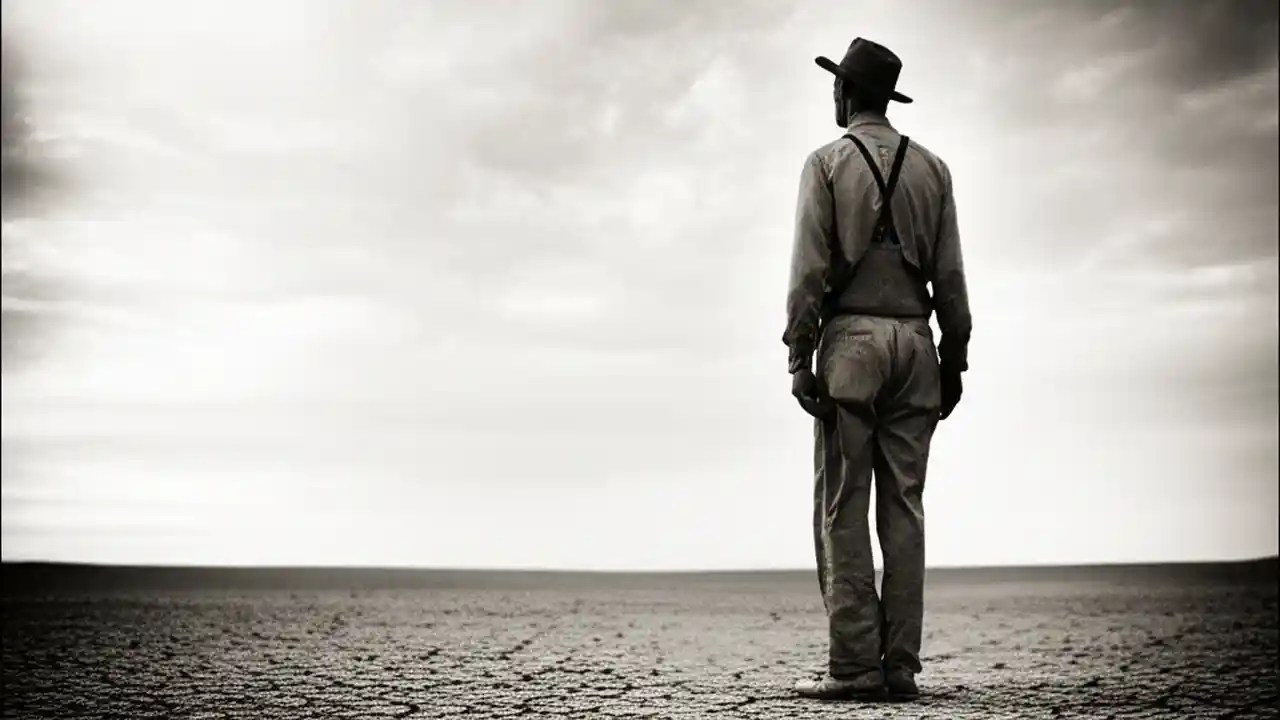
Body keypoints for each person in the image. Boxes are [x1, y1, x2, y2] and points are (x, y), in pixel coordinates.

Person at [782, 37, 972, 703]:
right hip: (917, 343)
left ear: (845, 93)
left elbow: (809, 268)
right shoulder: (934, 170)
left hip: (853, 344)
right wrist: (955, 358)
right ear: (884, 98)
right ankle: (900, 666)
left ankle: (853, 665)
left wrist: (798, 353)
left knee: (842, 507)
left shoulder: (827, 163)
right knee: (906, 510)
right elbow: (950, 277)